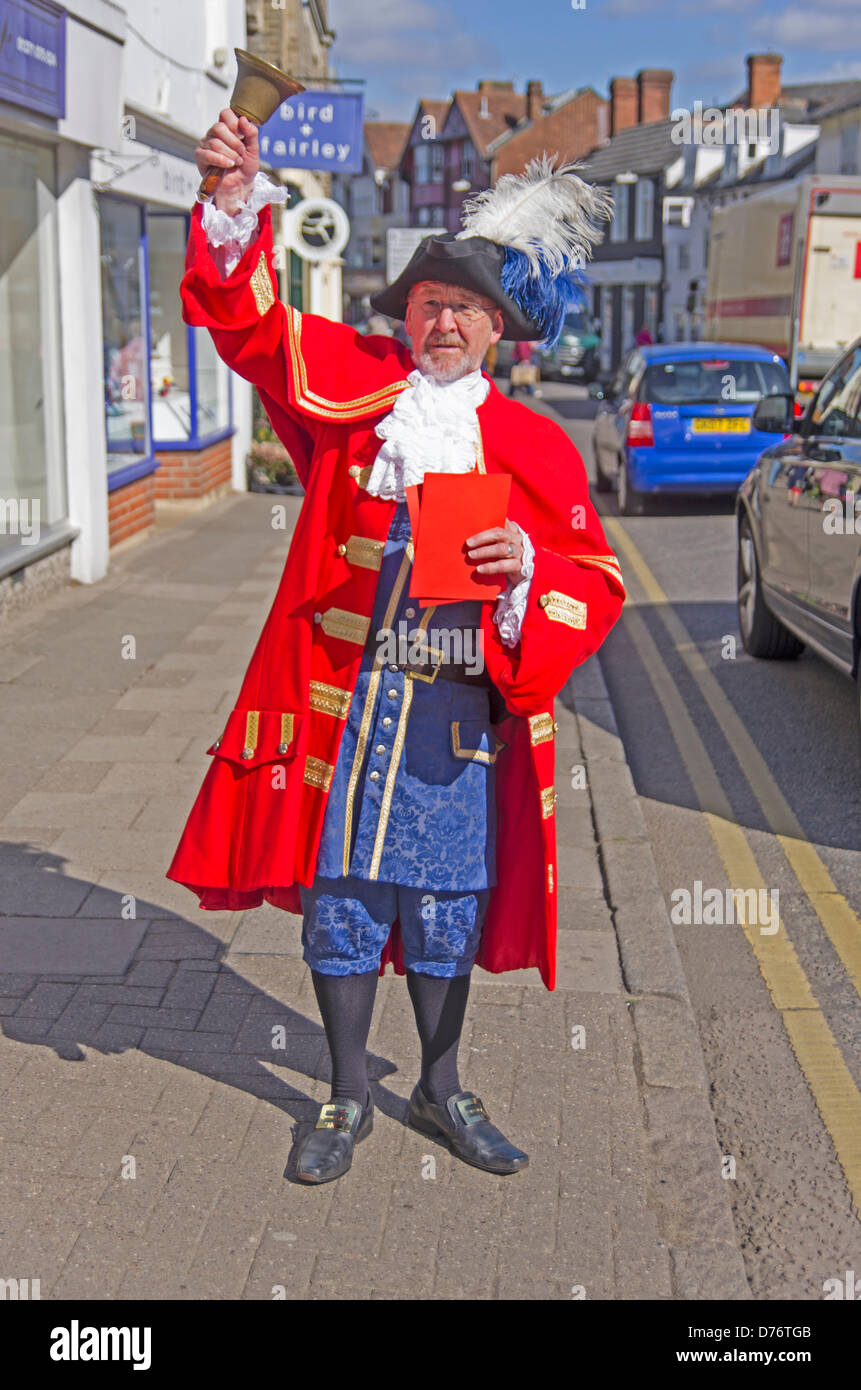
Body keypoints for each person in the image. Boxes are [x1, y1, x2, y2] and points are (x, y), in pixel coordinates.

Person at [167, 113, 625, 1184]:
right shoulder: (354, 401)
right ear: (405, 316)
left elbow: (595, 583)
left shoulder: (536, 445)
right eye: (428, 305)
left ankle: (442, 1083)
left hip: (459, 722)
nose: (443, 323)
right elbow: (249, 328)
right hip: (347, 707)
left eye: (462, 307)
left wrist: (527, 577)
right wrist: (237, 203)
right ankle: (343, 1092)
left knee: (444, 909)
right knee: (343, 903)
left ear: (496, 328)